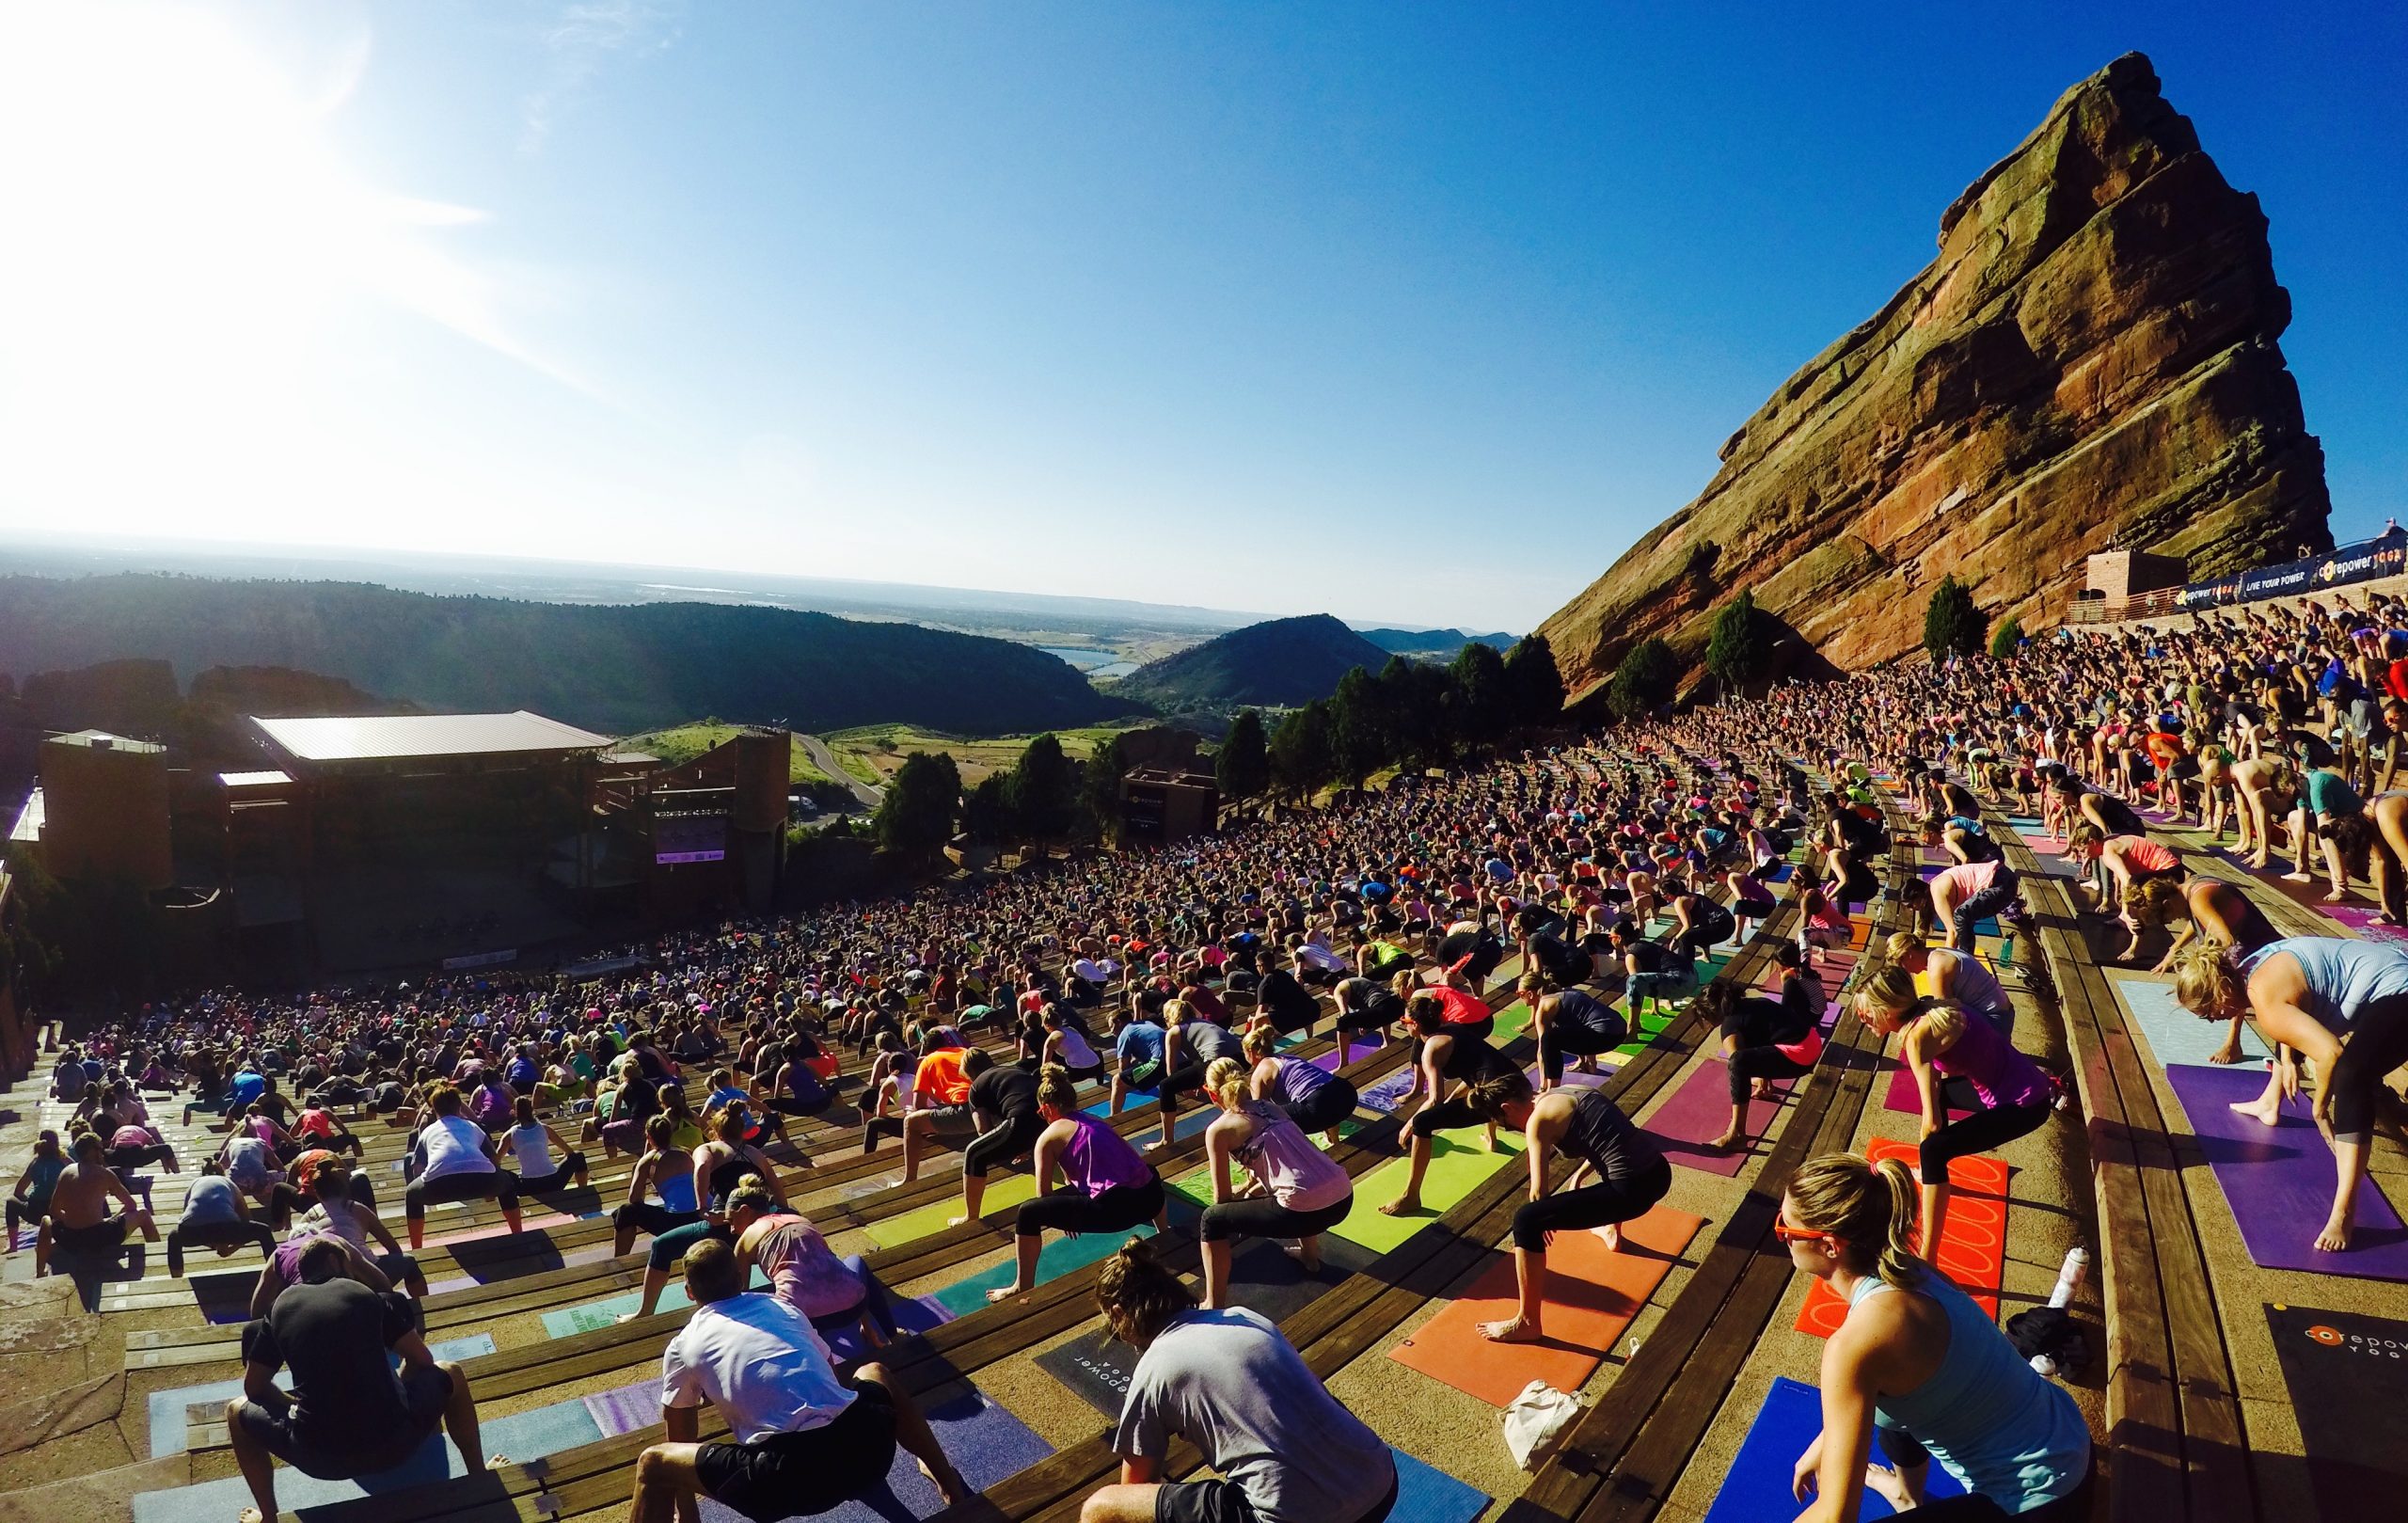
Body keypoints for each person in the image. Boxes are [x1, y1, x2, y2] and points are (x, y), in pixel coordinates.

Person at [1782, 1152, 2092, 1521]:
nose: (1782, 1236)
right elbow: (1869, 1402)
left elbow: (1835, 1515)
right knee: (1891, 1403)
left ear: (1830, 1246)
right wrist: (1826, 1446)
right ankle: (1906, 1494)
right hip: (2071, 1447)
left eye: (1786, 1231)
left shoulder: (1853, 1345)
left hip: (2037, 1505)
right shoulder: (1915, 1273)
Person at [628, 1237, 968, 1523]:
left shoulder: (684, 1344)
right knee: (874, 1372)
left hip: (782, 1485)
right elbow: (833, 1378)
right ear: (739, 1278)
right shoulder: (784, 1308)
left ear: (689, 1292)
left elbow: (680, 1435)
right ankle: (950, 1485)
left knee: (654, 1463)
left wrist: (688, 1512)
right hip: (869, 1452)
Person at [1080, 1237, 1398, 1523]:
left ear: (1120, 1313)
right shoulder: (1242, 1317)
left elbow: (1134, 1486)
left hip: (1293, 1516)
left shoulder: (1153, 1368)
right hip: (1380, 1480)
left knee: (1104, 1507)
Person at [227, 1237, 502, 1523]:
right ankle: (479, 1479)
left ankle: (269, 1517)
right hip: (397, 1443)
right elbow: (424, 1361)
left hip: (319, 1459)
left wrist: (292, 1404)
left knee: (236, 1411)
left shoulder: (279, 1307)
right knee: (451, 1371)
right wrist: (399, 1386)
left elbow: (254, 1388)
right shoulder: (364, 1293)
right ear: (337, 1262)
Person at [2172, 936, 2408, 1252]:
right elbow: (2294, 1005)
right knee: (2349, 1070)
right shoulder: (2253, 967)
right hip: (2387, 976)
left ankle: (2345, 1212)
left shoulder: (2262, 998)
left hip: (2399, 991)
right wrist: (2287, 1059)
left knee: (2352, 1077)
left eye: (2208, 1013)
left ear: (2222, 992)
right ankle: (2271, 1104)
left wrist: (2319, 1110)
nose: (2213, 1020)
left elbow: (2330, 1053)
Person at [1854, 969, 2054, 1258]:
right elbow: (1935, 1087)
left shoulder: (1917, 1037)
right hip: (2026, 1086)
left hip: (2024, 1105)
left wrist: (1928, 1148)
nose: (1862, 1017)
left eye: (1866, 1011)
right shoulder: (1933, 1009)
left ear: (1888, 1008)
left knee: (1934, 1150)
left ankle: (1928, 1257)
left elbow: (1932, 1120)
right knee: (1936, 1132)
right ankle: (1931, 1174)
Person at [1465, 1075, 1671, 1344]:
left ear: (1507, 1109)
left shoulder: (1538, 1122)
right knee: (1610, 1176)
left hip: (1633, 1191)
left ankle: (1527, 1322)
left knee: (1526, 1219)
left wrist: (1543, 1221)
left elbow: (1538, 1192)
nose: (1512, 1128)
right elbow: (1607, 1137)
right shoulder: (1572, 1091)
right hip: (1658, 1172)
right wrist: (1578, 1178)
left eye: (1505, 1125)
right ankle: (1612, 1230)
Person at [987, 1066, 1166, 1304]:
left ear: (1048, 1108)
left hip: (1117, 1212)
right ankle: (1165, 1234)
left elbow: (1044, 1195)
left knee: (1028, 1212)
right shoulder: (1095, 1120)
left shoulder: (1048, 1136)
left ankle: (1022, 1285)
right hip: (1151, 1198)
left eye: (1041, 1113)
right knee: (1149, 1170)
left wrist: (1062, 1217)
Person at [1196, 1057, 1354, 1308]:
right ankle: (1310, 1258)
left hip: (1305, 1211)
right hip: (1344, 1195)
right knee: (1298, 1191)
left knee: (1212, 1219)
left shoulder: (1218, 1130)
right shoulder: (1274, 1108)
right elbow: (1295, 1165)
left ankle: (1212, 1303)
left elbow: (1222, 1200)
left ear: (1213, 1094)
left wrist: (1243, 1201)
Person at [1380, 1000, 1520, 1216]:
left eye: (1403, 1021)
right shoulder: (1455, 1029)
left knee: (1422, 1122)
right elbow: (1478, 1071)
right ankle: (1491, 1138)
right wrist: (1454, 1100)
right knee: (1477, 1090)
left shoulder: (1431, 1049)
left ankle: (1411, 1196)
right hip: (1516, 1081)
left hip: (1499, 1098)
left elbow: (1435, 1099)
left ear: (1415, 1024)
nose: (1403, 1024)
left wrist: (1409, 1124)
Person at [1697, 976, 1823, 1152]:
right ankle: (1765, 1087)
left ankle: (1737, 1134)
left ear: (1711, 1012)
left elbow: (1738, 1066)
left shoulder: (1729, 1025)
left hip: (1800, 1055)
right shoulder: (1754, 1003)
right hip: (1813, 1043)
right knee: (1752, 1045)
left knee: (1738, 1062)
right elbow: (1765, 1039)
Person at [404, 1087, 523, 1250]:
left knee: (411, 1195)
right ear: (459, 1107)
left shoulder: (426, 1132)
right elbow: (494, 1160)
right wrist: (491, 1190)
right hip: (483, 1181)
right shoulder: (473, 1126)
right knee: (507, 1184)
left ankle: (417, 1248)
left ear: (434, 1109)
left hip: (440, 1186)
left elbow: (417, 1170)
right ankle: (518, 1234)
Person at [954, 1047, 1044, 1226]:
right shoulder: (1012, 1069)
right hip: (1046, 1117)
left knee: (974, 1153)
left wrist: (1008, 1146)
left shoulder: (976, 1086)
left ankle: (971, 1216)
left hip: (1021, 1120)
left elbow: (983, 1131)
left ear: (969, 1072)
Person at [1242, 1023, 1357, 1145]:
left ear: (1251, 1052)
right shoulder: (1290, 1058)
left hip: (1318, 1103)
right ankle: (1334, 1139)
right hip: (1346, 1093)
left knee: (1268, 1120)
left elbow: (1261, 1114)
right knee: (1325, 1100)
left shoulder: (1260, 1072)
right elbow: (1321, 1089)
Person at [615, 1113, 705, 1257]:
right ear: (671, 1133)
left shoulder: (647, 1161)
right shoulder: (687, 1152)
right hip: (701, 1214)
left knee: (625, 1212)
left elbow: (634, 1199)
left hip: (677, 1220)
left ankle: (620, 1259)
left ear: (649, 1137)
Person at [166, 1164, 277, 1277]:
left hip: (192, 1232)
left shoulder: (194, 1183)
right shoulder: (229, 1183)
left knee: (174, 1236)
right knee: (263, 1231)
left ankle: (177, 1277)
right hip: (226, 1228)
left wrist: (214, 1242)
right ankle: (277, 1272)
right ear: (223, 1173)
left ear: (202, 1174)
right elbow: (247, 1219)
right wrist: (231, 1249)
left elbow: (189, 1219)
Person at [1523, 971, 1628, 1091]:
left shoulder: (1544, 1007)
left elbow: (1543, 1049)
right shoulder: (1564, 995)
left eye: (1520, 993)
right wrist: (1588, 1063)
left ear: (1530, 994)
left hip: (1604, 1036)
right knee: (1563, 1032)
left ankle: (1553, 1089)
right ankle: (1589, 1066)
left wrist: (1543, 1086)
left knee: (1549, 1038)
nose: (1518, 995)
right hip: (1619, 1031)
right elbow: (1581, 1027)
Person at [498, 1094, 591, 1195]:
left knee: (498, 1173)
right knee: (578, 1156)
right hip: (553, 1183)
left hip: (528, 1186)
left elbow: (496, 1160)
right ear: (531, 1110)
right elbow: (569, 1151)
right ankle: (583, 1191)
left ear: (515, 1113)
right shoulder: (545, 1128)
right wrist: (562, 1157)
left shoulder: (510, 1134)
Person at [7, 1130, 65, 1266]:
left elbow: (18, 1191)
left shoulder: (35, 1162)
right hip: (58, 1212)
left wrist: (29, 1201)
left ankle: (13, 1246)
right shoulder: (64, 1161)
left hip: (35, 1212)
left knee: (11, 1202)